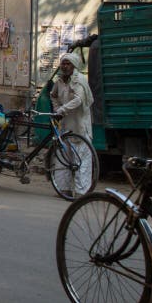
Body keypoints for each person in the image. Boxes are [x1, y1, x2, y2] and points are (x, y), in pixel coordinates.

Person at [49, 51, 95, 197]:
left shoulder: (79, 80)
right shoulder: (59, 81)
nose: (65, 66)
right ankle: (63, 188)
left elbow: (79, 100)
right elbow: (53, 95)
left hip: (80, 125)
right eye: (63, 63)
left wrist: (62, 109)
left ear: (74, 65)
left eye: (68, 63)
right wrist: (57, 109)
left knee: (82, 160)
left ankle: (82, 192)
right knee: (63, 158)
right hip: (66, 125)